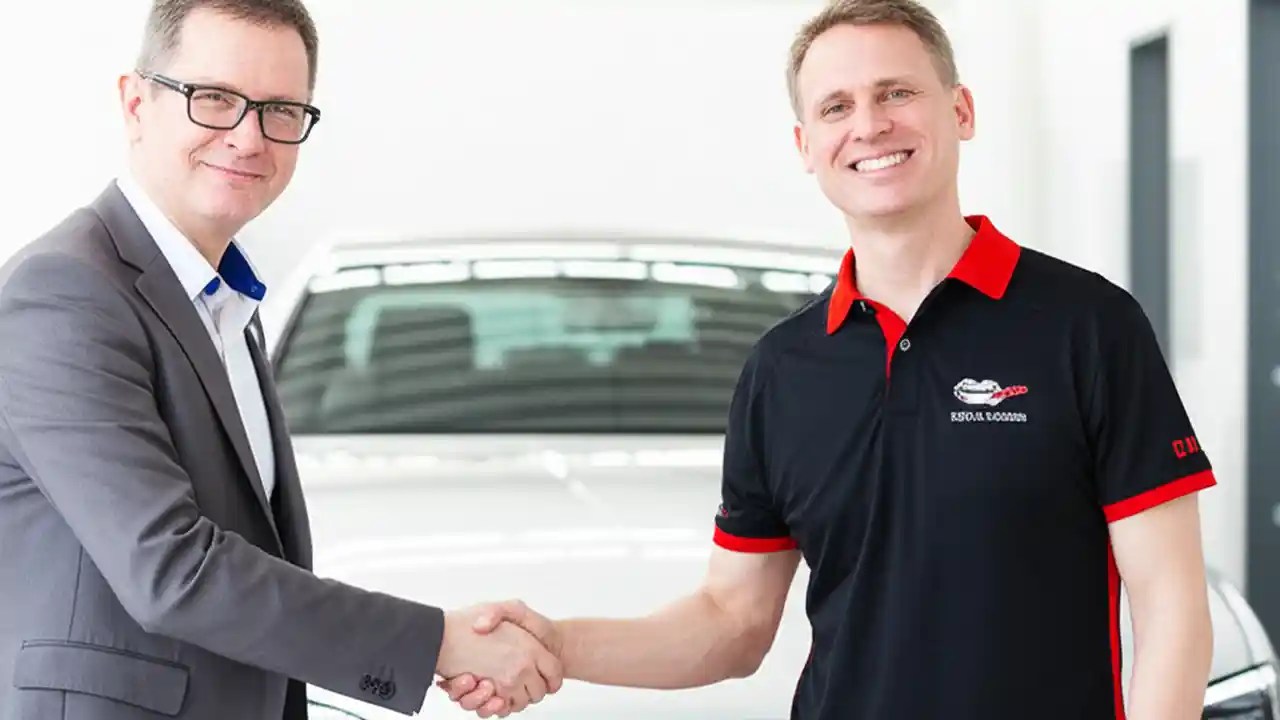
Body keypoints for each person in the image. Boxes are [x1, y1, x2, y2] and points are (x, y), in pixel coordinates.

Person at [440, 1, 1218, 718]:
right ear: (805, 145)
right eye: (836, 107)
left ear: (961, 110)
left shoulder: (1088, 325)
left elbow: (1170, 602)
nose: (870, 125)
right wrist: (556, 643)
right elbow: (733, 621)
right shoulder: (782, 371)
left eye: (896, 93)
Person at [0, 1, 561, 718]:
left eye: (281, 110)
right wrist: (441, 642)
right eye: (214, 100)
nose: (248, 137)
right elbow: (172, 569)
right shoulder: (66, 292)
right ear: (135, 103)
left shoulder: (226, 300)